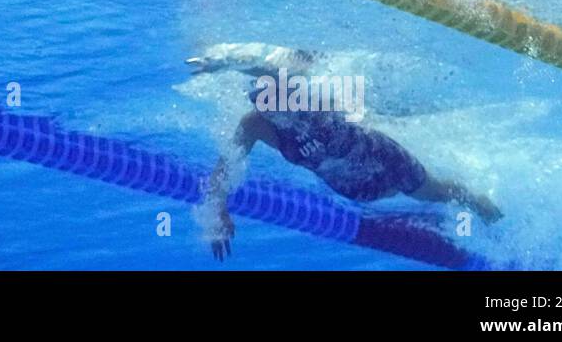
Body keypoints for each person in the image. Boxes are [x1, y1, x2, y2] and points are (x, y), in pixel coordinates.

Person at [186, 43, 501, 261]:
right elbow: (224, 169)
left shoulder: (317, 98)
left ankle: (480, 203)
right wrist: (216, 214)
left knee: (434, 192)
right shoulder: (256, 126)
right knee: (409, 199)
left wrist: (222, 60)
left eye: (274, 95)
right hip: (355, 189)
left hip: (385, 161)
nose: (269, 106)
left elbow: (275, 67)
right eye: (262, 100)